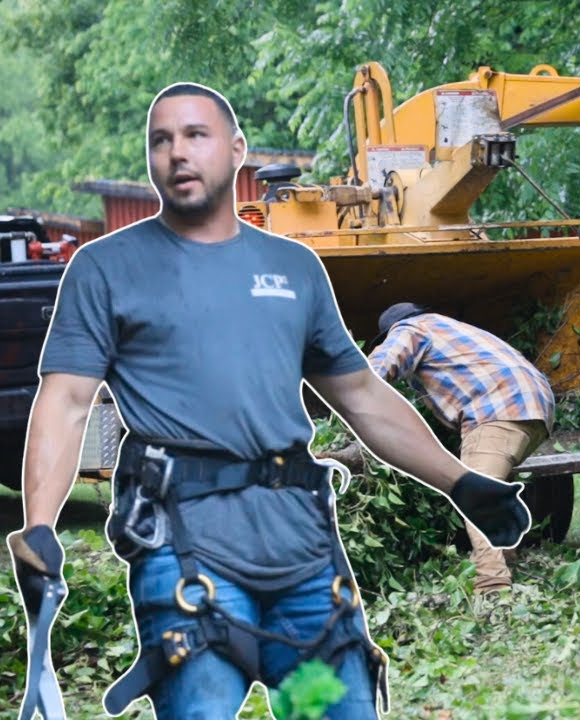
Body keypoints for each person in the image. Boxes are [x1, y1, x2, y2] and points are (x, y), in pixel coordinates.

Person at [6, 83, 530, 719]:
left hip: (303, 549)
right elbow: (64, 402)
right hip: (183, 547)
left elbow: (361, 394)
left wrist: (460, 481)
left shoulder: (294, 268)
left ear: (236, 149)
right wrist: (39, 522)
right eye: (160, 140)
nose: (176, 152)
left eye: (194, 135)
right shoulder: (107, 267)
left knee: (337, 709)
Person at [359, 303, 555, 593]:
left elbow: (375, 372)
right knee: (493, 488)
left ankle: (493, 584)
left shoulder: (410, 329)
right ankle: (507, 554)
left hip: (497, 408)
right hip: (537, 407)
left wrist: (352, 405)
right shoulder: (452, 328)